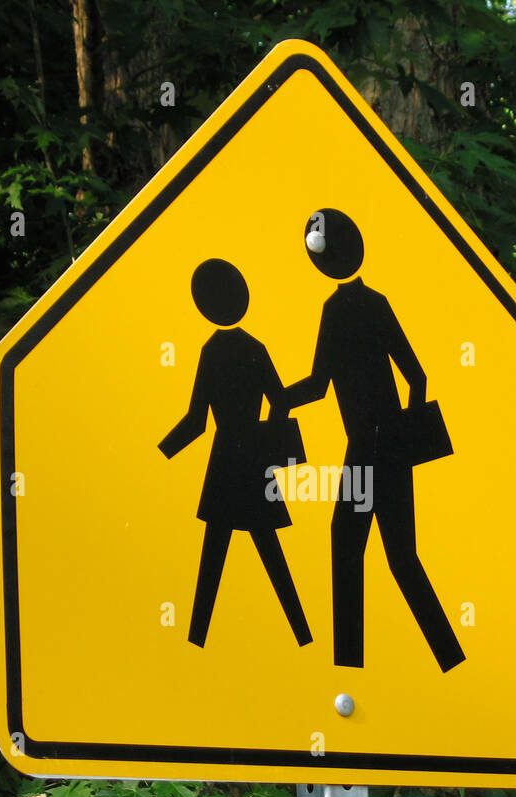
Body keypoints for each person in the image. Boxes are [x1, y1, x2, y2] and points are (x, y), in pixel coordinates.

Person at [284, 210, 465, 672]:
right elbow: (417, 377)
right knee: (400, 557)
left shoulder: (336, 310)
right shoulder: (376, 302)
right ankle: (449, 657)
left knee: (348, 545)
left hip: (366, 448)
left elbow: (318, 385)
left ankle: (349, 664)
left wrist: (279, 400)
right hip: (389, 448)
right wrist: (405, 437)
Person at [159, 258, 311, 649]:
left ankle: (197, 640)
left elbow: (197, 420)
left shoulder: (211, 351)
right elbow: (280, 400)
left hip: (226, 461)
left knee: (214, 556)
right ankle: (303, 635)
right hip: (254, 459)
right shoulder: (254, 347)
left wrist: (163, 451)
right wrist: (268, 439)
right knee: (268, 550)